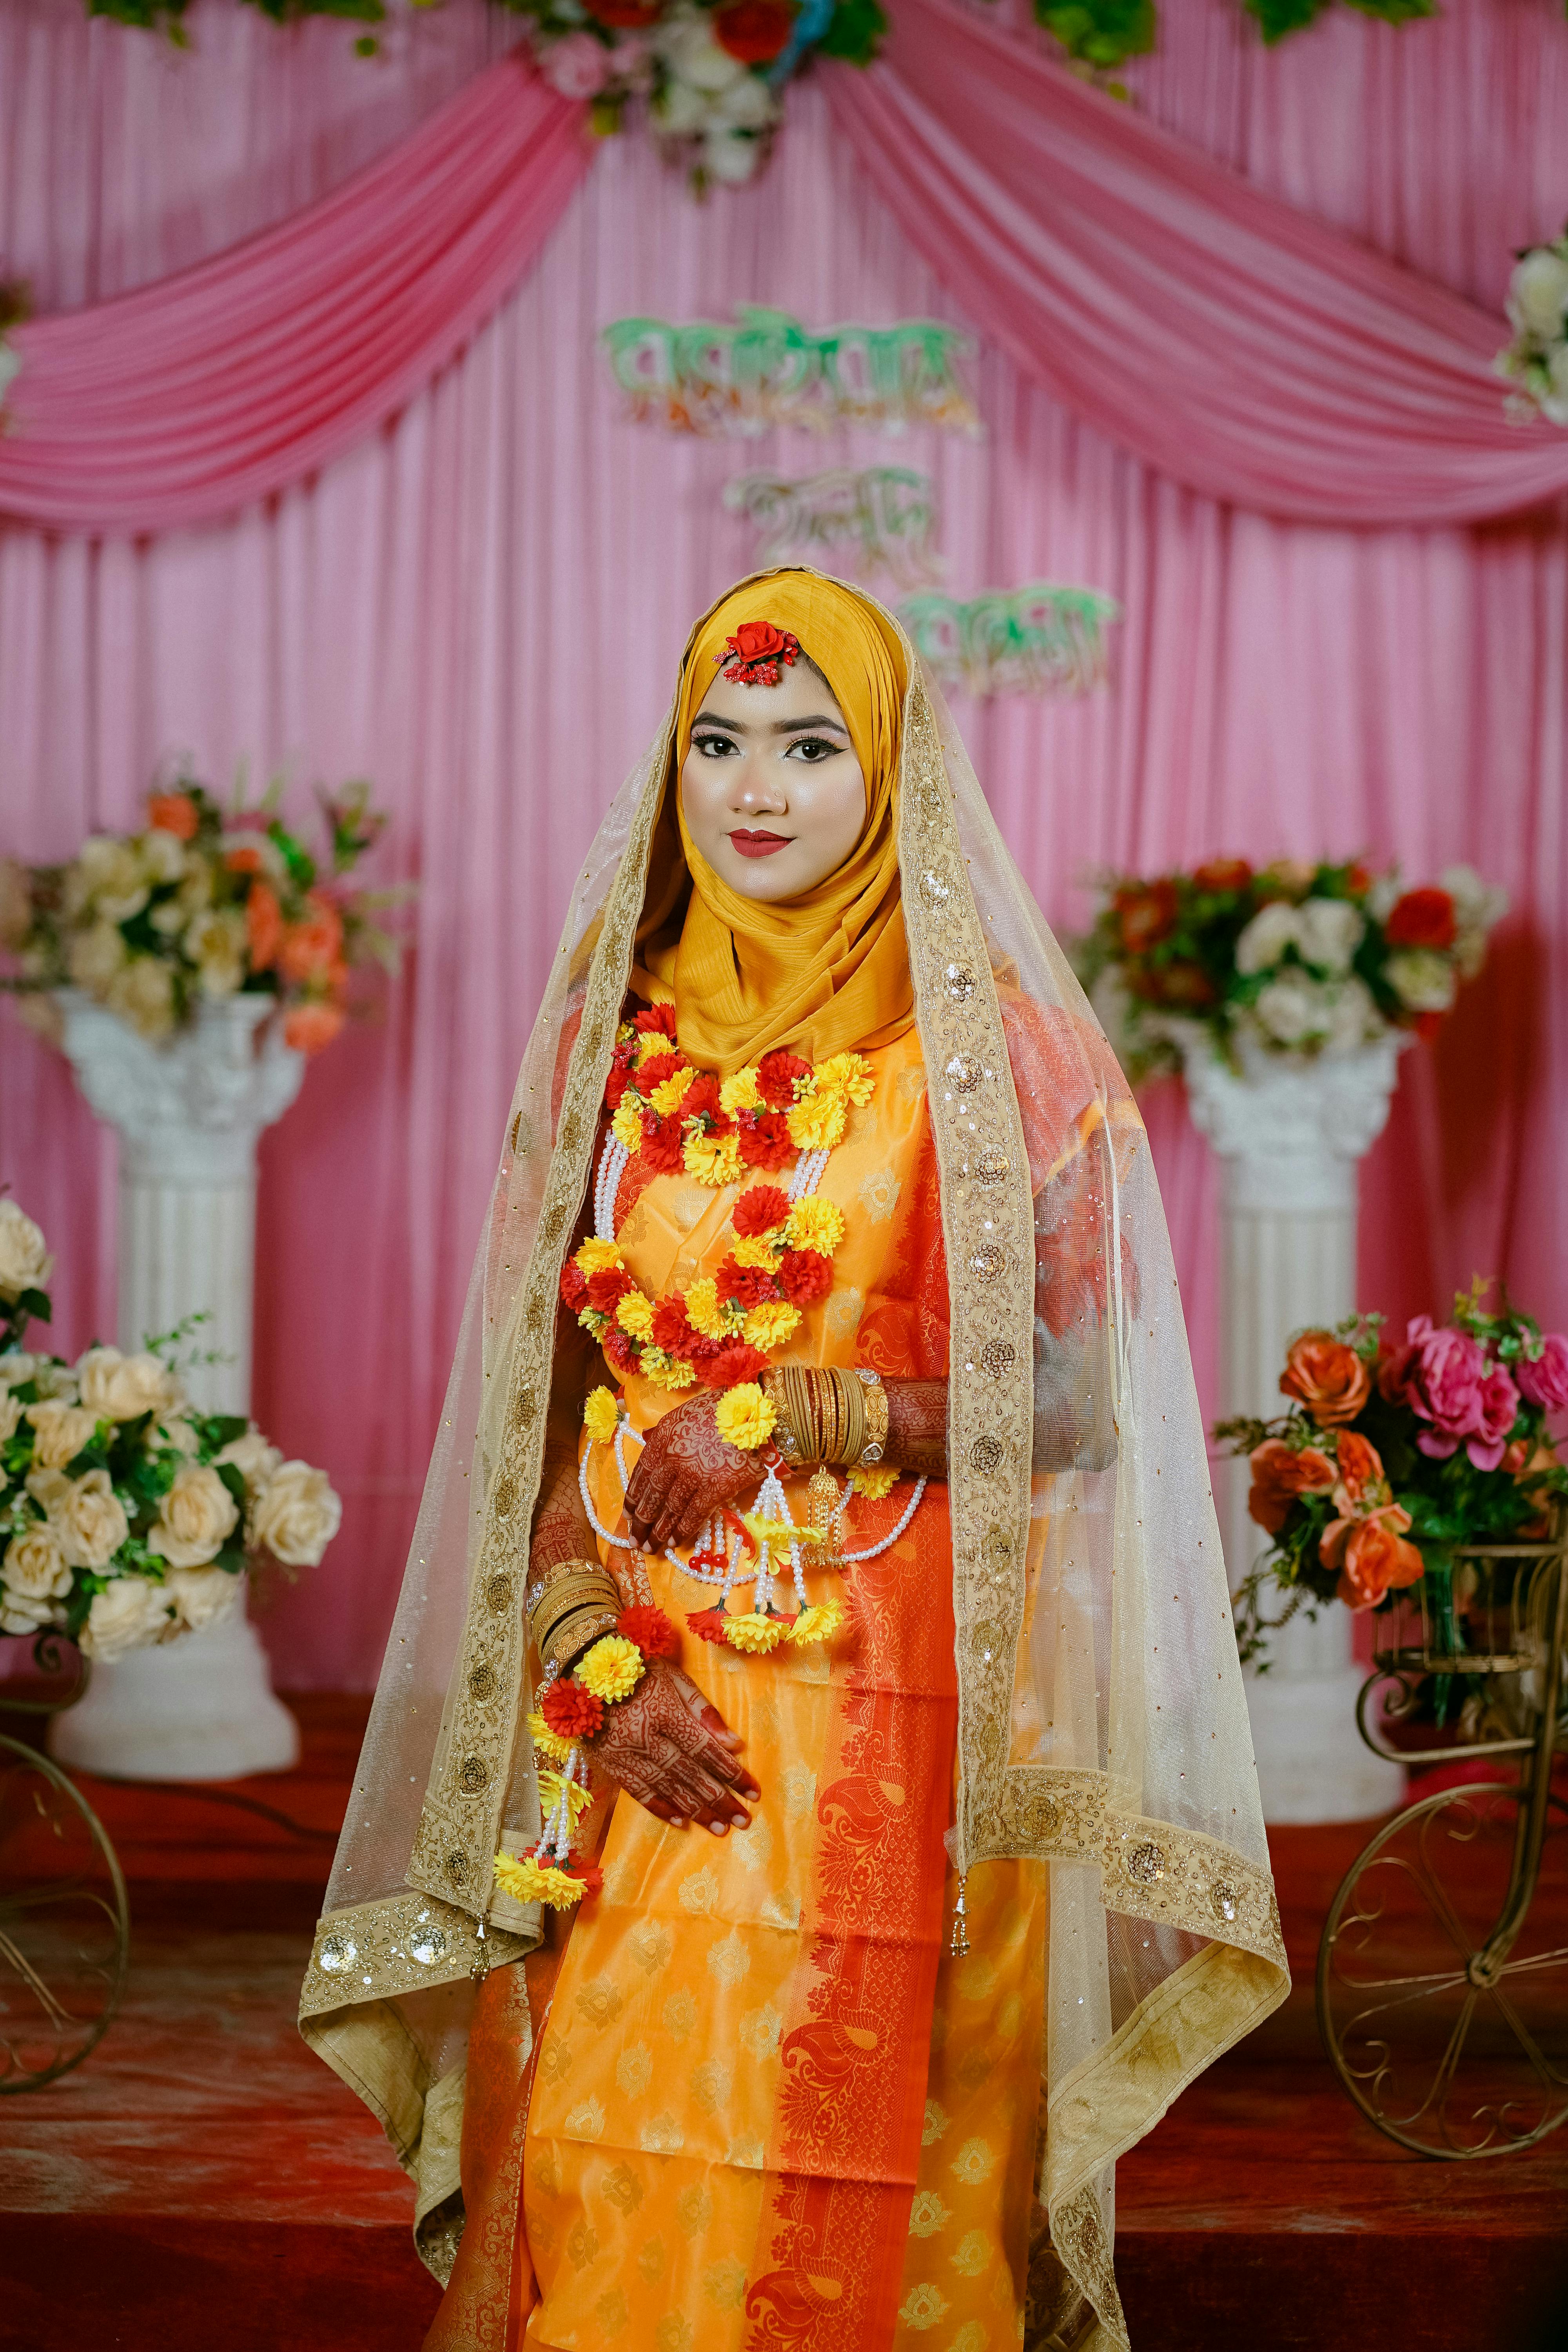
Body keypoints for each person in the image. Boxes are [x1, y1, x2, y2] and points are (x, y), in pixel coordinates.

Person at [301, 571, 1287, 2352]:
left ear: (891, 768)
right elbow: (550, 1414)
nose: (756, 786)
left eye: (811, 745)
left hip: (907, 1717)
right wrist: (582, 1653)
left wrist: (810, 1413)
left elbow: (1081, 1398)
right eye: (719, 741)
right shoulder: (616, 1045)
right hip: (644, 1705)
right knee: (610, 2144)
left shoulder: (995, 1050)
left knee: (874, 2179)